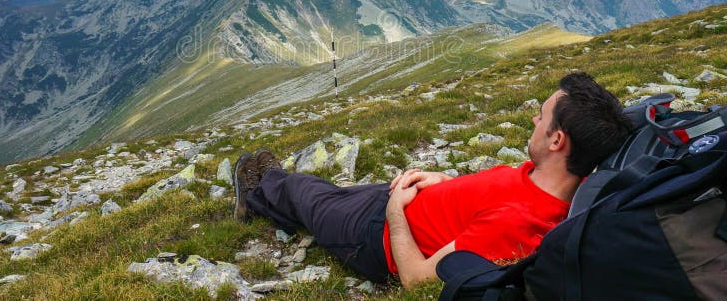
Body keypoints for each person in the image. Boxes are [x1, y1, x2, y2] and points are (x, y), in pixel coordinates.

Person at [233, 72, 632, 288]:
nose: (533, 119)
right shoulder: (554, 181)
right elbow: (487, 200)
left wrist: (394, 215)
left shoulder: (520, 223)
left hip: (378, 238)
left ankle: (257, 189)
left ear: (557, 140)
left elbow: (417, 279)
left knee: (310, 197)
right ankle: (271, 189)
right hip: (408, 204)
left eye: (542, 117)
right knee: (324, 195)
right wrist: (444, 181)